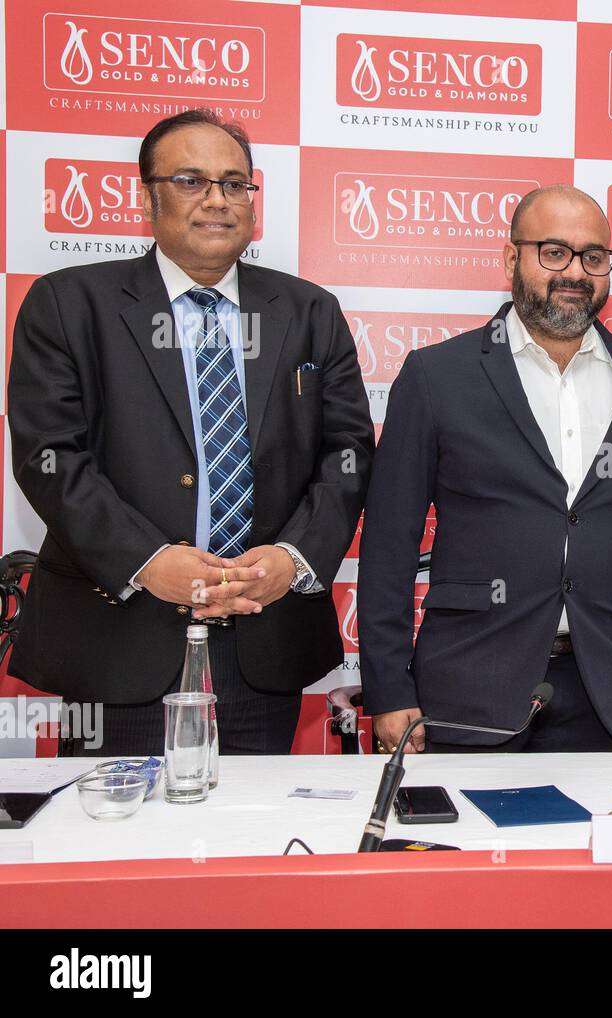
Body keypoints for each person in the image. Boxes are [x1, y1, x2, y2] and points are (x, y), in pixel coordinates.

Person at [7, 109, 374, 756]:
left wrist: (290, 559)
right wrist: (149, 563)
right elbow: (50, 457)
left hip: (264, 643)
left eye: (236, 184)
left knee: (251, 845)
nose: (217, 200)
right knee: (117, 849)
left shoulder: (309, 312)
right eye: (190, 180)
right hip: (119, 639)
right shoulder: (69, 303)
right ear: (146, 195)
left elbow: (346, 454)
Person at [358, 185, 612, 753]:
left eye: (593, 257)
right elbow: (389, 544)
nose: (575, 272)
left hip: (607, 692)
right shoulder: (436, 377)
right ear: (512, 259)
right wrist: (387, 690)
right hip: (467, 689)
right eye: (553, 251)